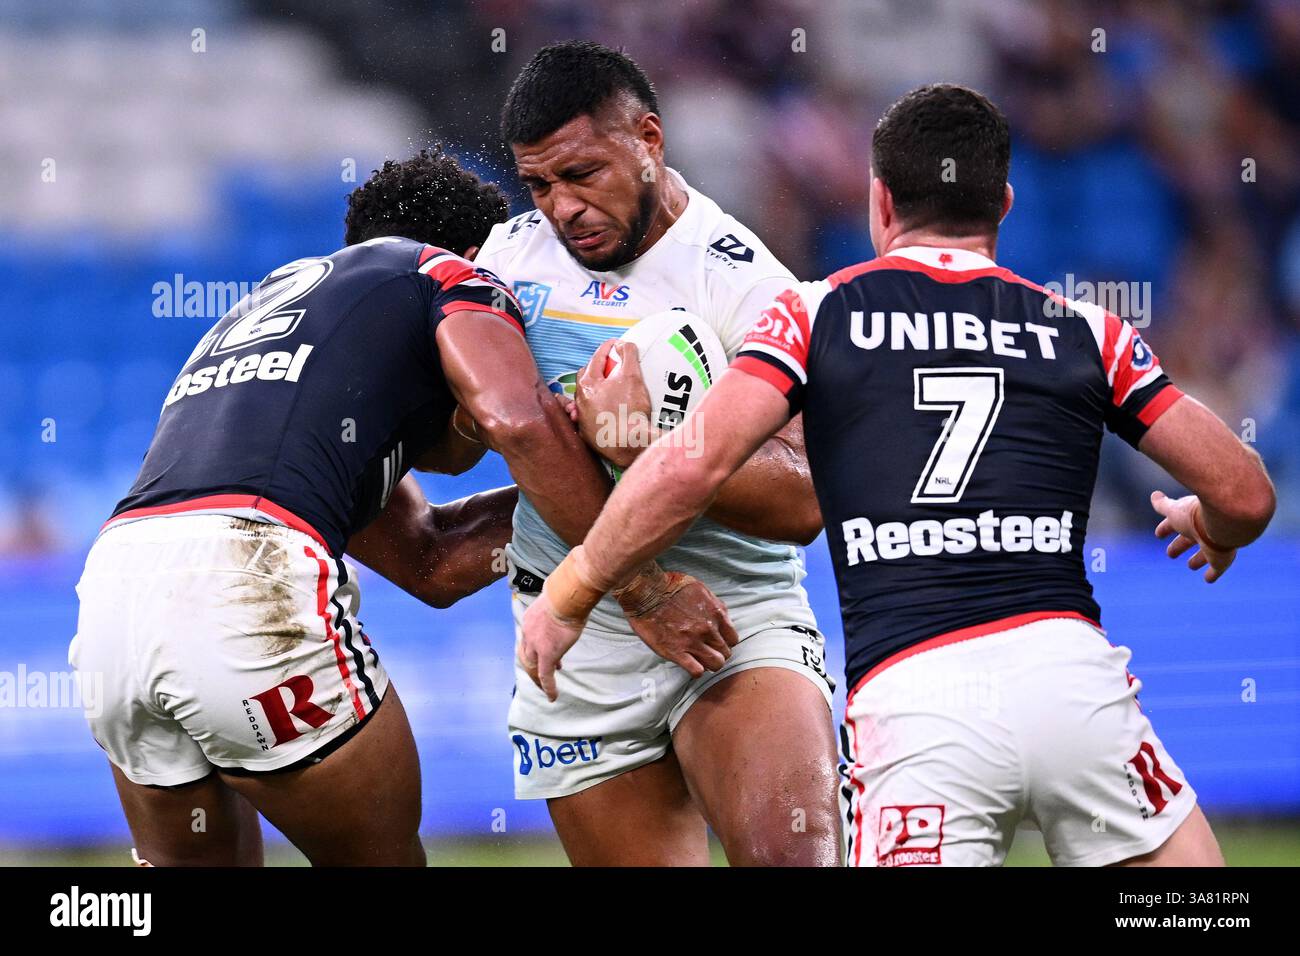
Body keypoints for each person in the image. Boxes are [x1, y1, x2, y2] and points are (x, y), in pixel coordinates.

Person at [521, 85, 1277, 867]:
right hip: (1072, 684)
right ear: (1005, 204)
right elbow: (1245, 493)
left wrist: (574, 590)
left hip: (918, 705)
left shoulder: (814, 316)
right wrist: (1210, 527)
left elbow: (695, 461)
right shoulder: (1084, 327)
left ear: (880, 200)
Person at [70, 147, 732, 866]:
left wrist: (631, 495)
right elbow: (515, 422)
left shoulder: (286, 310)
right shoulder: (451, 273)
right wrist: (640, 583)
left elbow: (432, 560)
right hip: (245, 581)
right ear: (482, 256)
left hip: (112, 596)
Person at [476, 41, 840, 866]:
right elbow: (469, 443)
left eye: (583, 174)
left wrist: (642, 445)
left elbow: (804, 500)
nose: (562, 208)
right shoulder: (504, 262)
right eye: (539, 185)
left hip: (733, 617)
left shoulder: (746, 284)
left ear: (649, 139)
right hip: (575, 637)